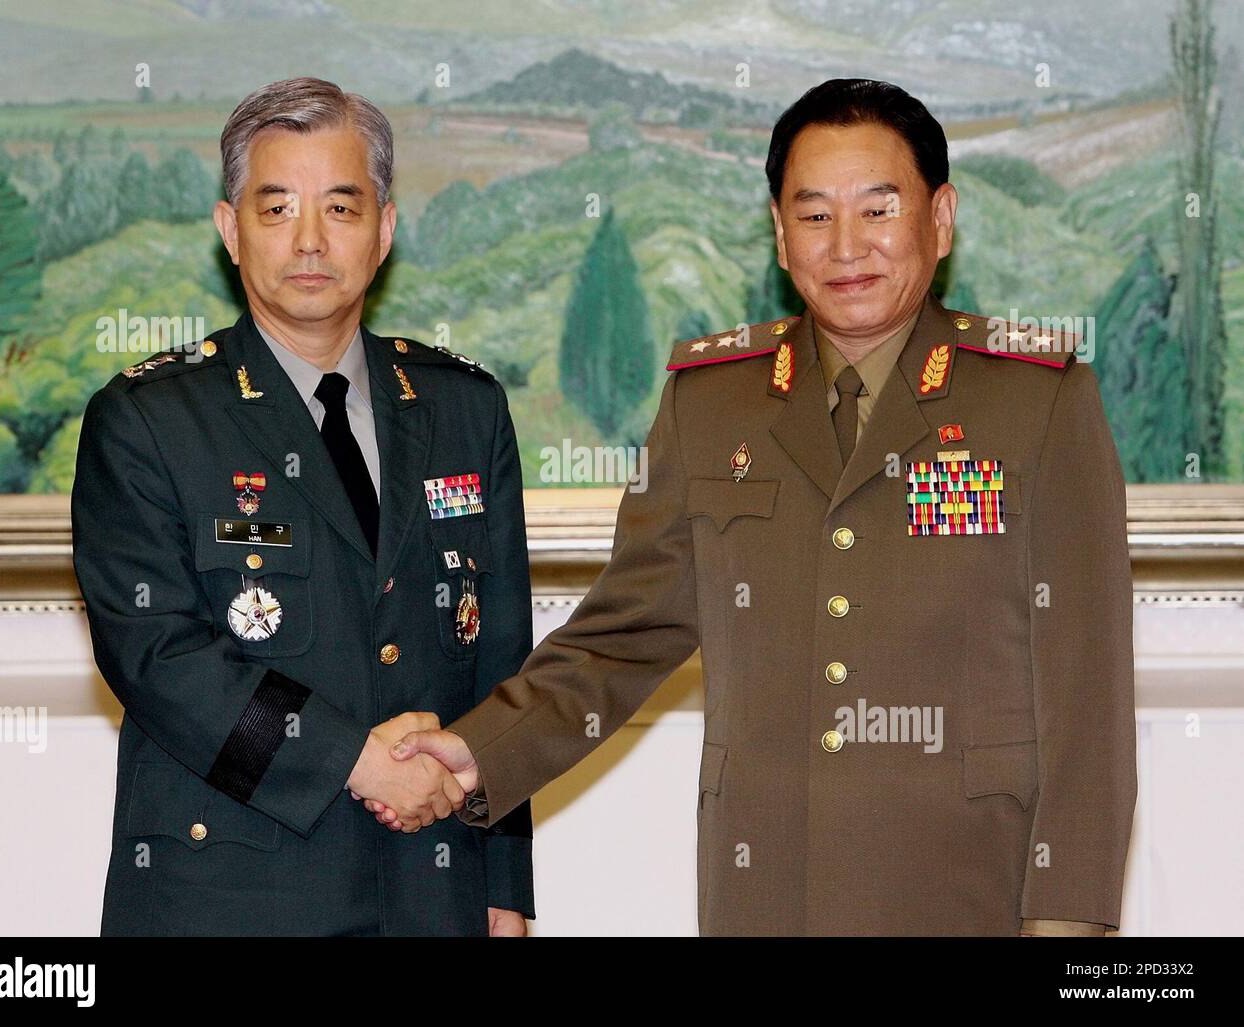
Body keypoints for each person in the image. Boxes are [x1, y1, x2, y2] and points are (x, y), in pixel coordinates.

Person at [368, 78, 1138, 937]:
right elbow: (622, 637)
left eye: (878, 210)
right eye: (815, 215)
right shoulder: (712, 402)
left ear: (942, 217)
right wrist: (476, 752)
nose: (846, 246)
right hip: (764, 891)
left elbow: (1089, 705)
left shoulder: (1039, 401)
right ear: (779, 232)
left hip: (968, 894)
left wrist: (1067, 927)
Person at [72, 77, 534, 936]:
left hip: (431, 891)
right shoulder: (148, 419)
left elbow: (501, 660)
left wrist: (503, 880)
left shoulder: (464, 409)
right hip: (230, 898)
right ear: (230, 230)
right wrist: (353, 758)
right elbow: (159, 655)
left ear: (384, 230)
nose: (310, 240)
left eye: (341, 208)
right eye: (278, 208)